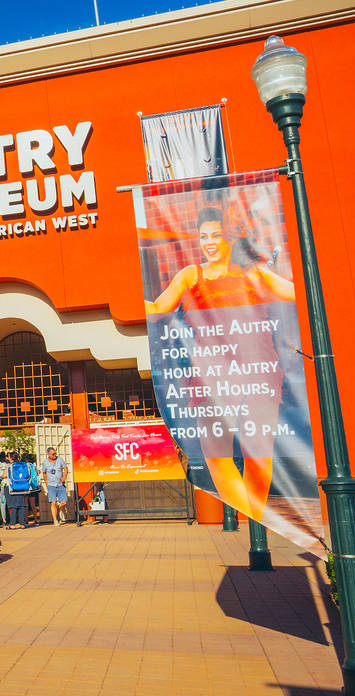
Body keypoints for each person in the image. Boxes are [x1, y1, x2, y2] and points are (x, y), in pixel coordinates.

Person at [145, 206, 295, 523]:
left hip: (256, 370)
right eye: (203, 237)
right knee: (216, 455)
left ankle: (255, 517)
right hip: (211, 374)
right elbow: (159, 306)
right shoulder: (191, 274)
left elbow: (292, 291)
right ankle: (252, 515)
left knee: (259, 454)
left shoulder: (251, 272)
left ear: (226, 238)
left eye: (215, 235)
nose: (209, 242)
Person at [40, 446, 68, 525]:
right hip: (51, 485)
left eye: (55, 453)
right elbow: (44, 473)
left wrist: (64, 476)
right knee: (53, 502)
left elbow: (65, 468)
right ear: (48, 454)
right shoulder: (45, 463)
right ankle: (55, 520)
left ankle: (58, 511)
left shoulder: (59, 459)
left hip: (60, 484)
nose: (55, 455)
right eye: (53, 454)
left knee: (63, 502)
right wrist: (46, 483)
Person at [5, 452, 31, 529]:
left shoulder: (10, 466)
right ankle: (22, 524)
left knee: (13, 506)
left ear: (10, 458)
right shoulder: (23, 465)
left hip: (12, 487)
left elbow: (4, 475)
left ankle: (12, 524)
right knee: (22, 505)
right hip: (22, 486)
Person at [25, 453, 42, 526]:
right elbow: (38, 473)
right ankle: (36, 520)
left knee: (26, 505)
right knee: (33, 505)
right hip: (33, 486)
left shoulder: (24, 466)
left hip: (25, 486)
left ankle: (26, 521)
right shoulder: (33, 466)